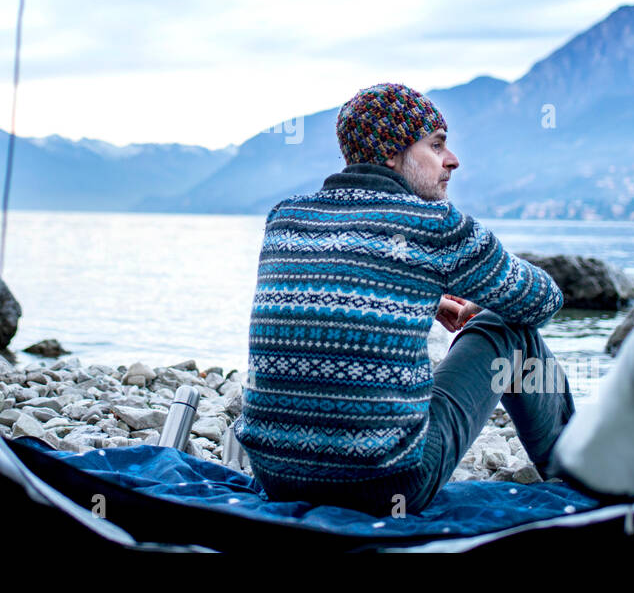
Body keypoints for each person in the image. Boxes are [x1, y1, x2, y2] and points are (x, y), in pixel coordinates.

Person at [233, 81, 575, 516]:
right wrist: (477, 304)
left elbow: (337, 280)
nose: (453, 160)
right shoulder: (435, 224)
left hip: (276, 477)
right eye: (436, 146)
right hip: (388, 485)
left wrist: (425, 298)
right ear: (392, 155)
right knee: (506, 328)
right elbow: (543, 301)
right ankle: (580, 473)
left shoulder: (286, 218)